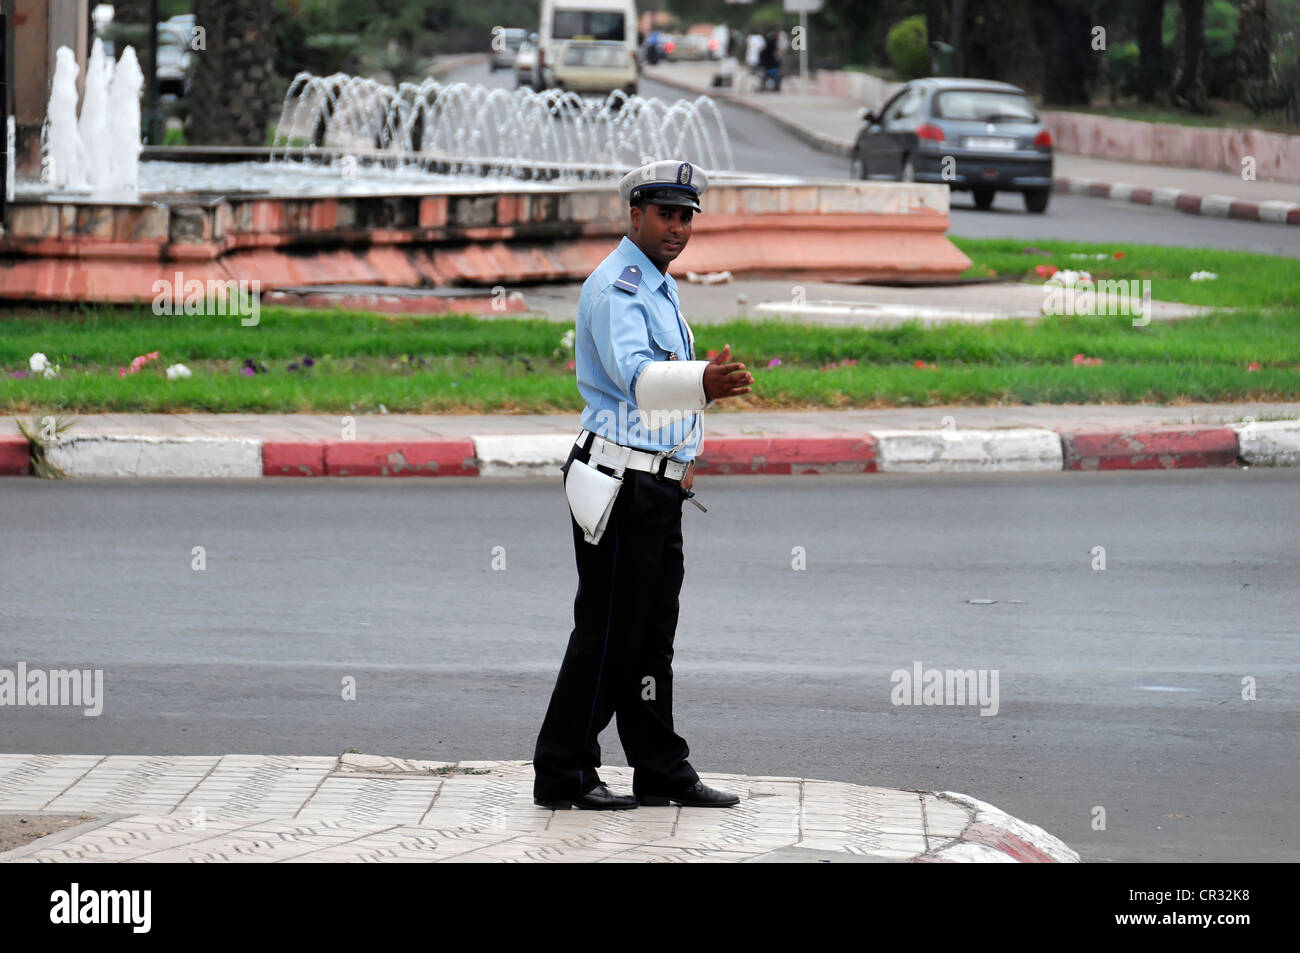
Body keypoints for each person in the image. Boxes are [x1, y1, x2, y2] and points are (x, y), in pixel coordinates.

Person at [532, 159, 754, 811]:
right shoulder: (623, 286)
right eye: (665, 214)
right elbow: (636, 376)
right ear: (635, 215)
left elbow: (659, 379)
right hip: (621, 485)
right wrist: (699, 383)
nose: (678, 228)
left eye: (687, 216)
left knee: (651, 637)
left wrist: (694, 397)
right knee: (606, 633)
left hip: (654, 487)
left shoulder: (657, 282)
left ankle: (659, 767)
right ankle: (563, 770)